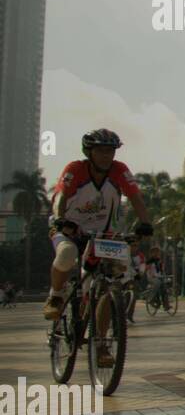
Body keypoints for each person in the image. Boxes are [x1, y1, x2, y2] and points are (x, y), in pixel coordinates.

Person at [43, 129, 154, 367]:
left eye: (110, 151)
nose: (106, 156)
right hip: (69, 227)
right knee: (67, 254)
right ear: (89, 152)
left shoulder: (119, 170)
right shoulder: (75, 169)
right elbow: (61, 197)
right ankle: (55, 296)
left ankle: (102, 344)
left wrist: (145, 223)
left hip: (103, 233)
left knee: (107, 283)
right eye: (101, 151)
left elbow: (135, 198)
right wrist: (61, 219)